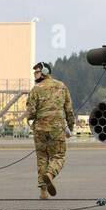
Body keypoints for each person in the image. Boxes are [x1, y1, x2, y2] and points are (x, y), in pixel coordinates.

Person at [26, 62, 75, 199]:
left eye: (37, 72)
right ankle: (50, 174)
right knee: (58, 156)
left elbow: (31, 112)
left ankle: (43, 192)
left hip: (40, 129)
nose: (35, 75)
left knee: (42, 158)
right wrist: (70, 127)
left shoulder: (36, 89)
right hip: (56, 129)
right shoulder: (62, 86)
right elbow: (69, 110)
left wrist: (31, 118)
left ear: (45, 72)